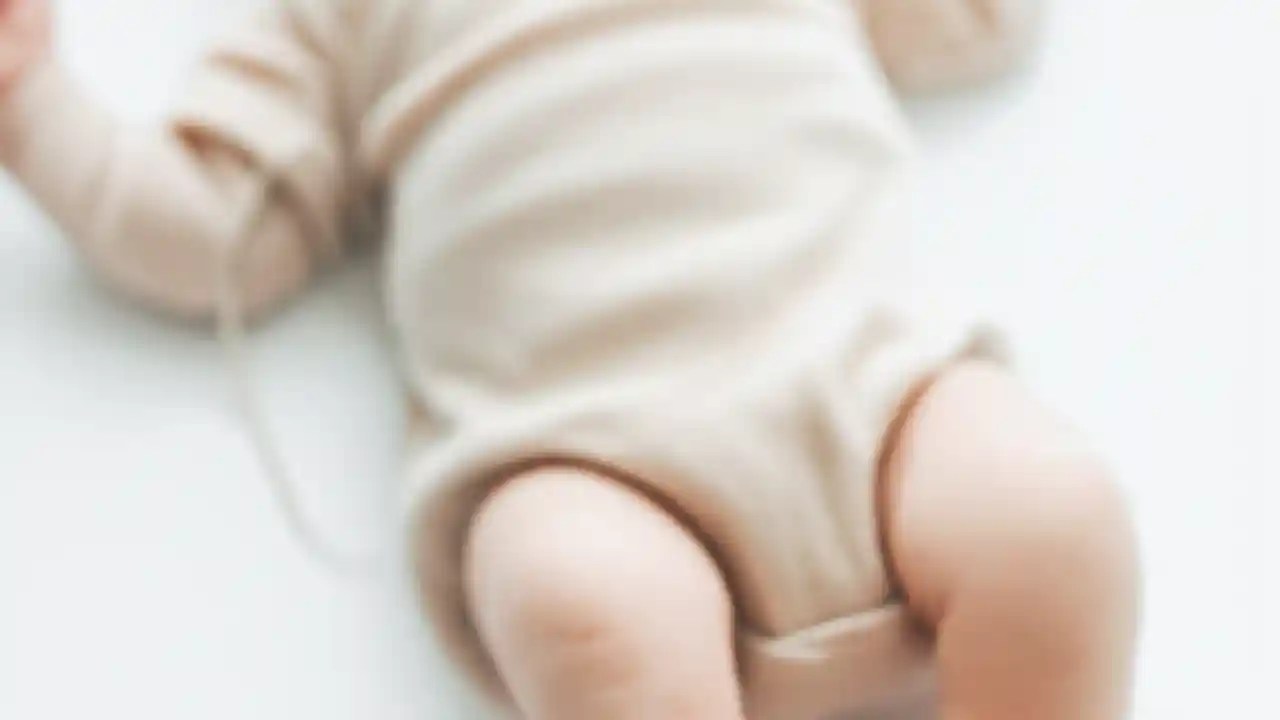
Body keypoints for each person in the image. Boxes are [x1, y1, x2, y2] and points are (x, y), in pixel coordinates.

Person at [0, 1, 1139, 718]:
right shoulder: (328, 15)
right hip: (591, 454)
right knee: (581, 600)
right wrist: (32, 104)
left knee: (1051, 516)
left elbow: (981, 23)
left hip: (869, 404)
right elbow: (215, 231)